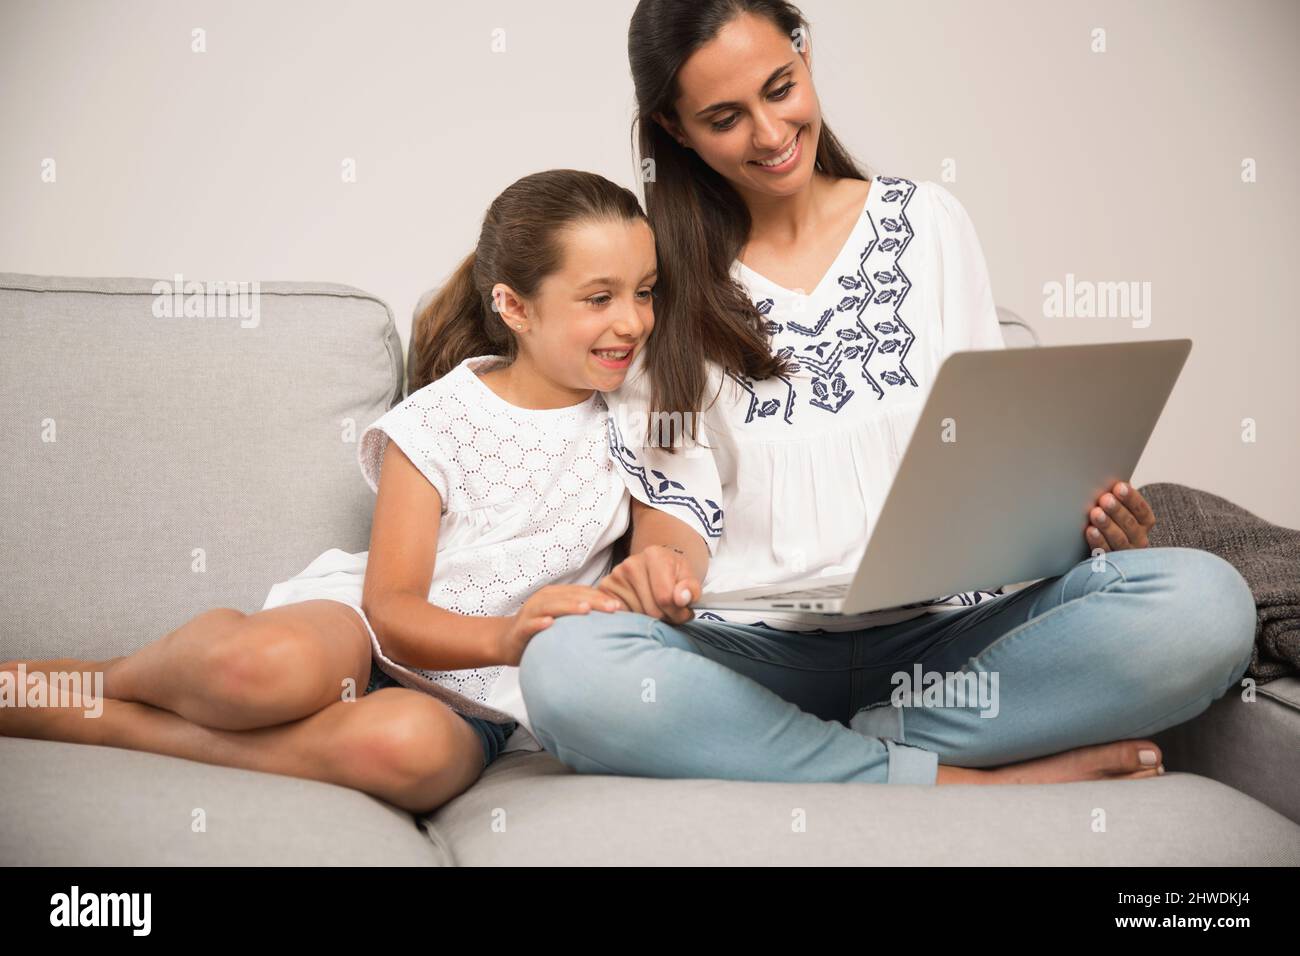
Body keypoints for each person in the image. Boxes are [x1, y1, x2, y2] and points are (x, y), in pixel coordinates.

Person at [513, 0, 1257, 786]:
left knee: (1207, 604)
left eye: (780, 87)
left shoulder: (928, 224)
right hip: (752, 656)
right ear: (674, 128)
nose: (769, 134)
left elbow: (991, 458)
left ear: (804, 52)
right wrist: (661, 572)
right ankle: (942, 778)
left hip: (947, 645)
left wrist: (1088, 530)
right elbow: (674, 523)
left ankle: (849, 747)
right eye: (725, 117)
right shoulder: (656, 280)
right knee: (567, 669)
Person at [0, 169, 718, 813]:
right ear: (515, 308)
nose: (633, 321)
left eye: (645, 292)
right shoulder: (441, 417)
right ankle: (101, 679)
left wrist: (650, 588)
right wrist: (506, 634)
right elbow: (392, 607)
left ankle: (108, 723)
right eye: (600, 298)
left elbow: (671, 529)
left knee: (410, 752)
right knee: (260, 669)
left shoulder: (637, 416)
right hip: (364, 634)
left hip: (480, 697)